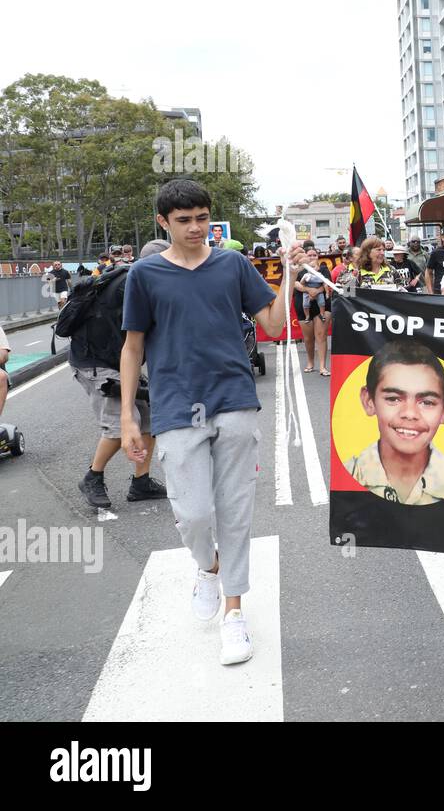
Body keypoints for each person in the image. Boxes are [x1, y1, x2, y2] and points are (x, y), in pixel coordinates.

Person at [119, 179, 306, 666]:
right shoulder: (144, 275)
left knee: (236, 510)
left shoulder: (232, 264)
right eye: (184, 220)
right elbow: (132, 346)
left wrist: (287, 272)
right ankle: (208, 567)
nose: (196, 228)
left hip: (234, 398)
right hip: (177, 405)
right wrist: (127, 417)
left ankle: (235, 613)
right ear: (163, 222)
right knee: (195, 513)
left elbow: (269, 324)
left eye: (202, 218)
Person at [58, 240, 169, 509]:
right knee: (121, 425)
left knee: (148, 419)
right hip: (96, 361)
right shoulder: (132, 285)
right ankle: (92, 477)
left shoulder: (137, 279)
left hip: (115, 359)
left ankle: (141, 482)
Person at [345, 340, 444, 504]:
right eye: (393, 399)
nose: (410, 414)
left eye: (427, 402)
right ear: (369, 401)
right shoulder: (348, 474)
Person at [293, 246, 330, 376]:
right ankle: (310, 362)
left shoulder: (323, 268)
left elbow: (327, 284)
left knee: (321, 335)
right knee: (308, 338)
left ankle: (322, 366)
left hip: (322, 305)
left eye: (315, 255)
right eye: (310, 255)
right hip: (304, 303)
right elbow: (295, 284)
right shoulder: (299, 269)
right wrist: (309, 290)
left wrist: (317, 291)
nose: (312, 257)